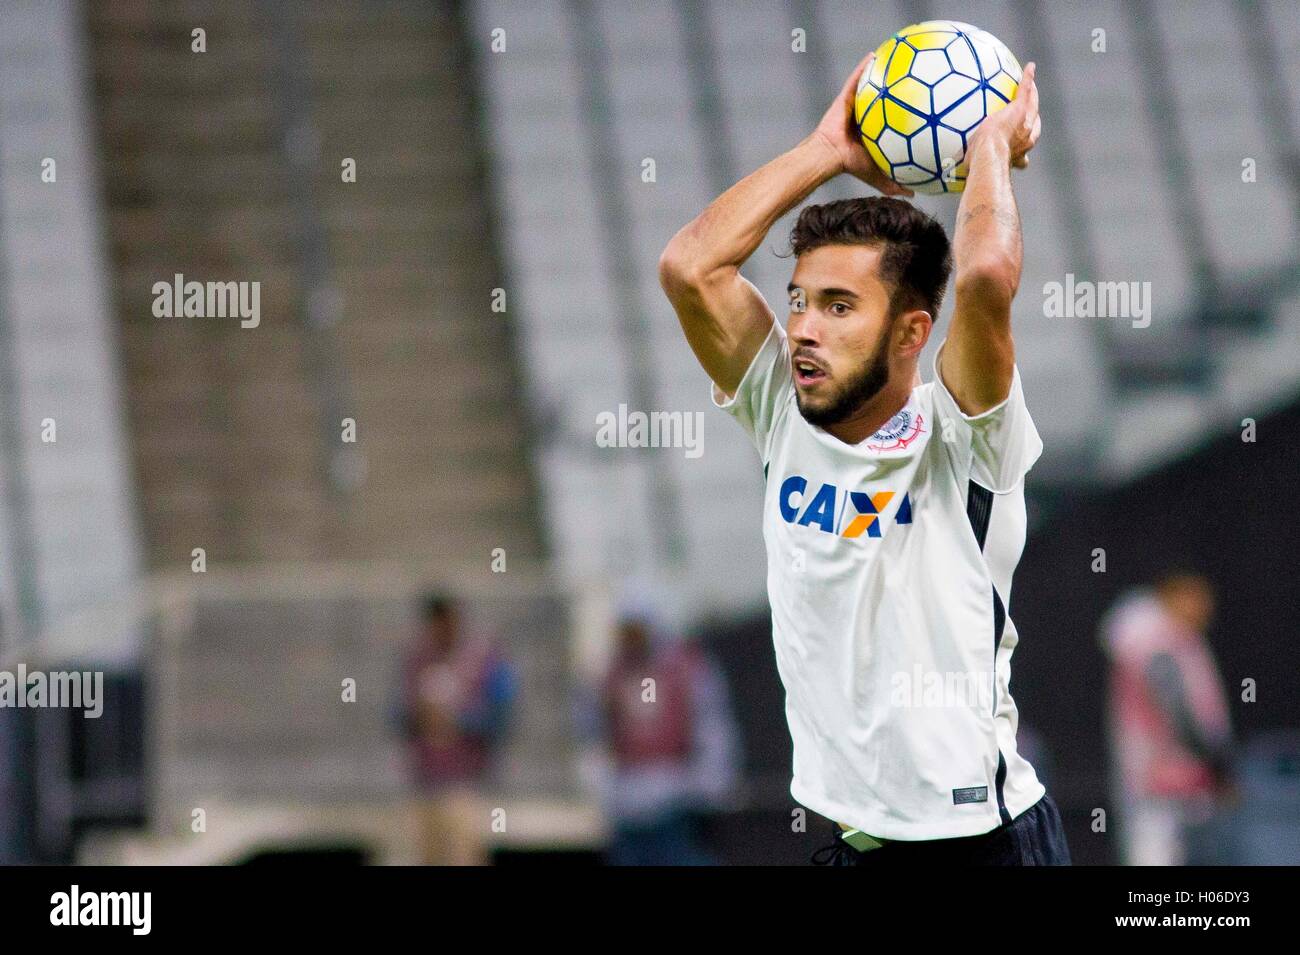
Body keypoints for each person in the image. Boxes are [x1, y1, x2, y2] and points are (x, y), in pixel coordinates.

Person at [658, 53, 1069, 865]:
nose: (804, 328)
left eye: (839, 307)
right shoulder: (782, 409)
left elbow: (985, 277)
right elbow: (690, 267)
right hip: (851, 842)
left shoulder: (963, 437)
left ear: (913, 333)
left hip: (982, 844)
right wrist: (825, 152)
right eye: (800, 301)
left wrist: (989, 146)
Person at [1101, 571, 1235, 865]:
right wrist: (1216, 762)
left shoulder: (1176, 636)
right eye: (1195, 597)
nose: (1204, 608)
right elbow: (1174, 704)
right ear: (1173, 594)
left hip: (1179, 779)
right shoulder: (1152, 637)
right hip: (1157, 776)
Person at [595, 600, 740, 865]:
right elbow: (599, 734)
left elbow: (712, 726)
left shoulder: (686, 670)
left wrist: (713, 786)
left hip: (677, 803)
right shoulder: (612, 675)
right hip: (628, 807)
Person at [402, 593, 516, 865]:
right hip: (426, 782)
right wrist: (420, 716)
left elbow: (501, 718)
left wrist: (459, 721)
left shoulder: (484, 658)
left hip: (466, 782)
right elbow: (397, 715)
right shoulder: (417, 660)